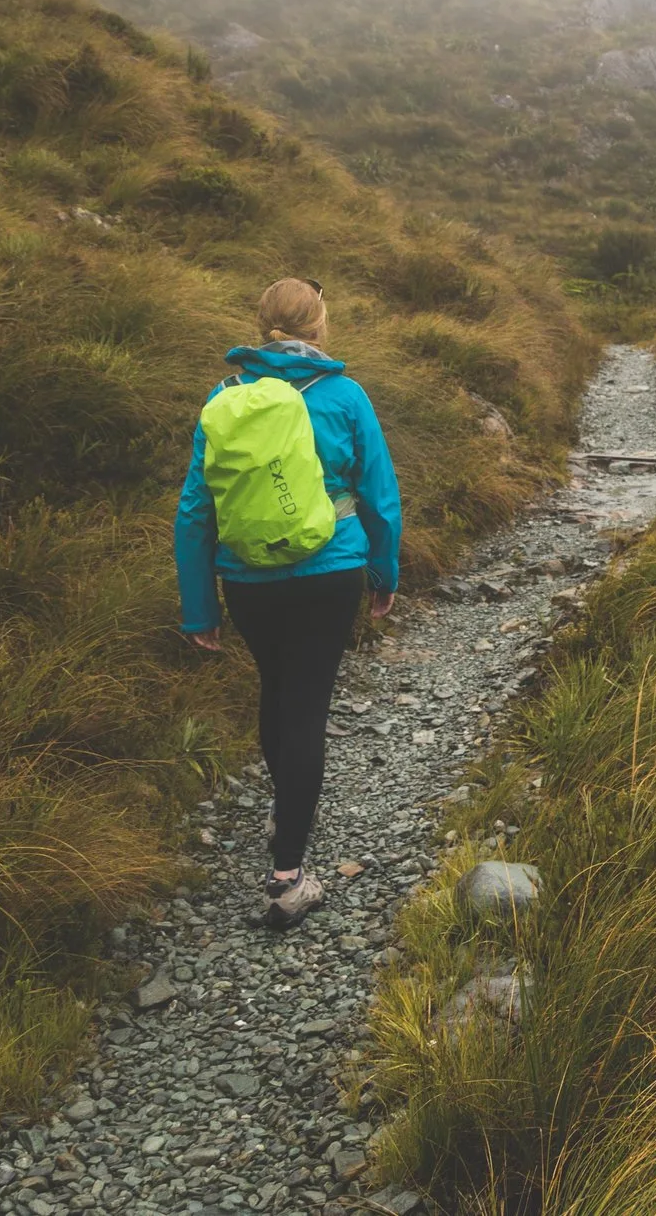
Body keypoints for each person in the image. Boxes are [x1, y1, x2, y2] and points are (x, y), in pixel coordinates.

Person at [176, 278, 403, 928]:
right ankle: (286, 880)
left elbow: (197, 510)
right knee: (306, 704)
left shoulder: (223, 400)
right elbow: (378, 496)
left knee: (276, 691)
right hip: (328, 572)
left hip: (246, 579)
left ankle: (286, 806)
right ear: (321, 325)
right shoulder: (343, 395)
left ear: (261, 323)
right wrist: (384, 573)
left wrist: (200, 607)